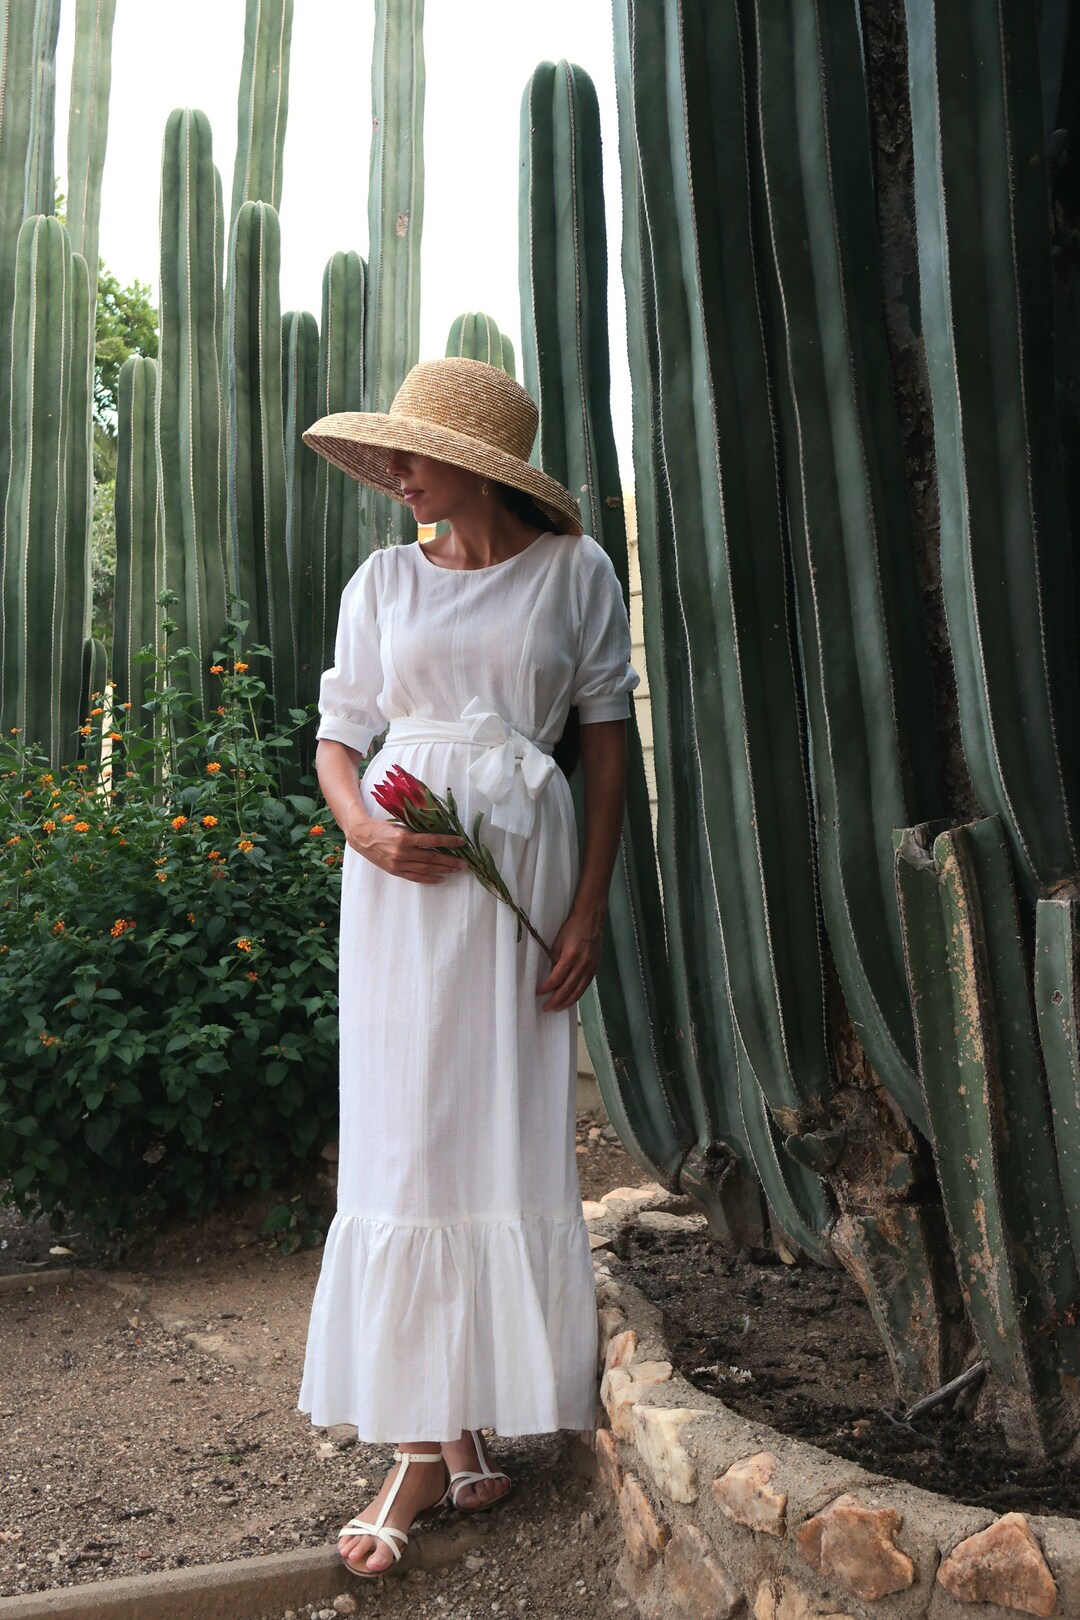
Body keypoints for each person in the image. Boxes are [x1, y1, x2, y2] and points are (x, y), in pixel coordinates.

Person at [297, 357, 638, 1577]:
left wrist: (589, 906)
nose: (394, 472)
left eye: (413, 454)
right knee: (409, 1126)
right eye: (389, 452)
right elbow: (337, 739)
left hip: (523, 884)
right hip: (399, 887)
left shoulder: (575, 572)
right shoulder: (383, 580)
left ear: (478, 468)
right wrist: (366, 831)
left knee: (492, 1123)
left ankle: (461, 1419)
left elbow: (607, 745)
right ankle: (423, 1444)